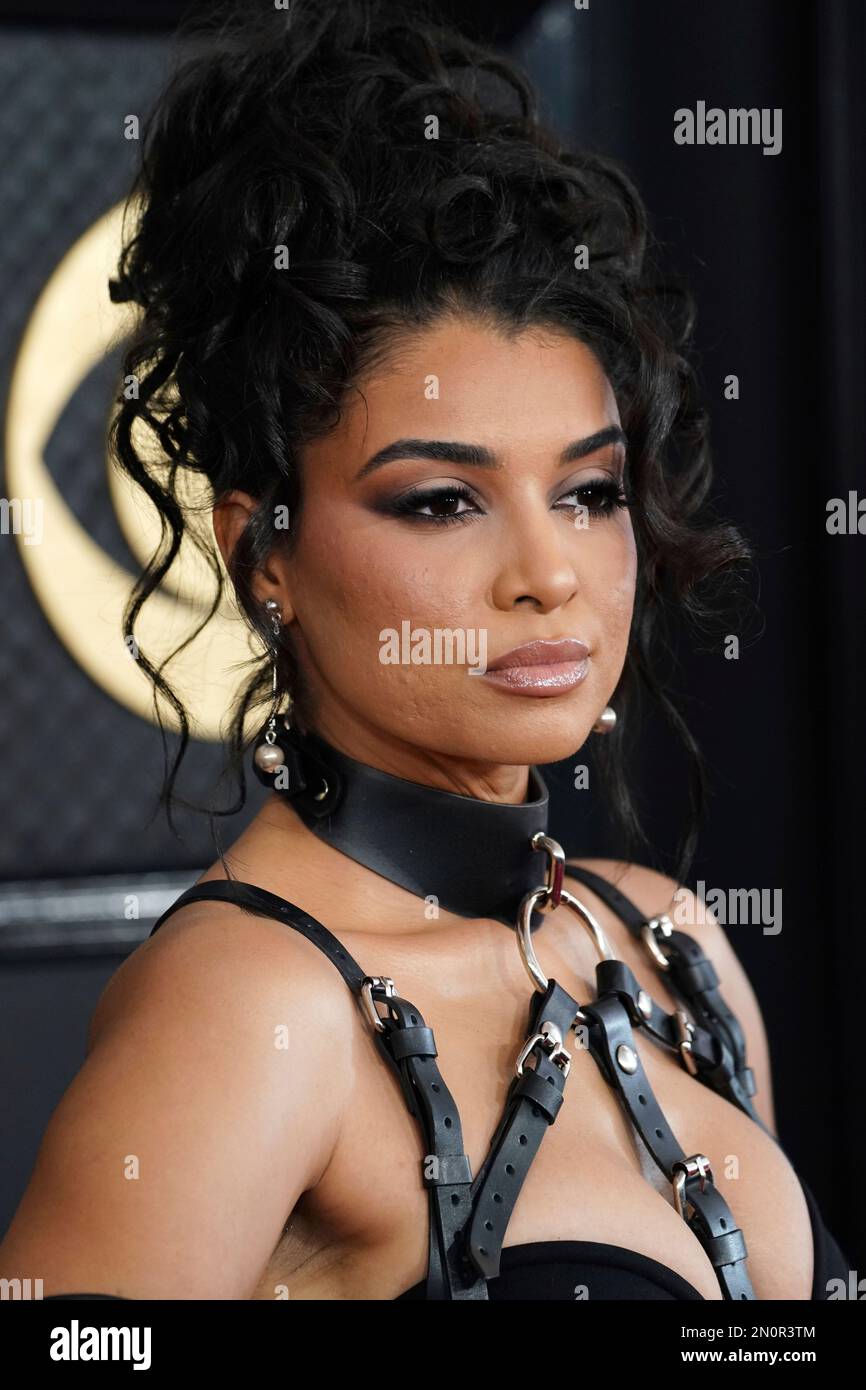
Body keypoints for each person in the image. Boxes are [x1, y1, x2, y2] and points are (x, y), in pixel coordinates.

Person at [0, 0, 852, 1301]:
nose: (546, 573)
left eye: (588, 491)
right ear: (262, 552)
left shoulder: (670, 942)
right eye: (440, 500)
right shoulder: (250, 1008)